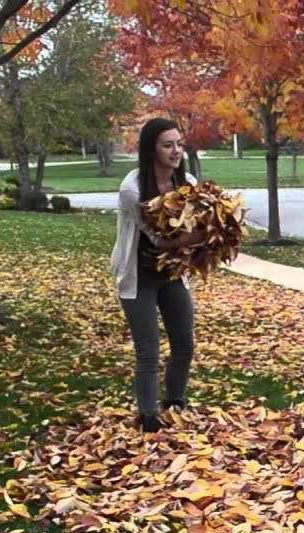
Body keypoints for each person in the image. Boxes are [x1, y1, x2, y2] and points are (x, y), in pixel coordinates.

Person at [112, 118, 198, 432]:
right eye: (167, 145)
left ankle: (175, 402)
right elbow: (159, 238)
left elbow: (194, 222)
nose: (176, 151)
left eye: (179, 143)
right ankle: (147, 416)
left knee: (184, 344)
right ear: (151, 150)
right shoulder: (131, 190)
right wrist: (193, 239)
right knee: (148, 349)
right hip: (139, 276)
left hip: (171, 274)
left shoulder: (186, 182)